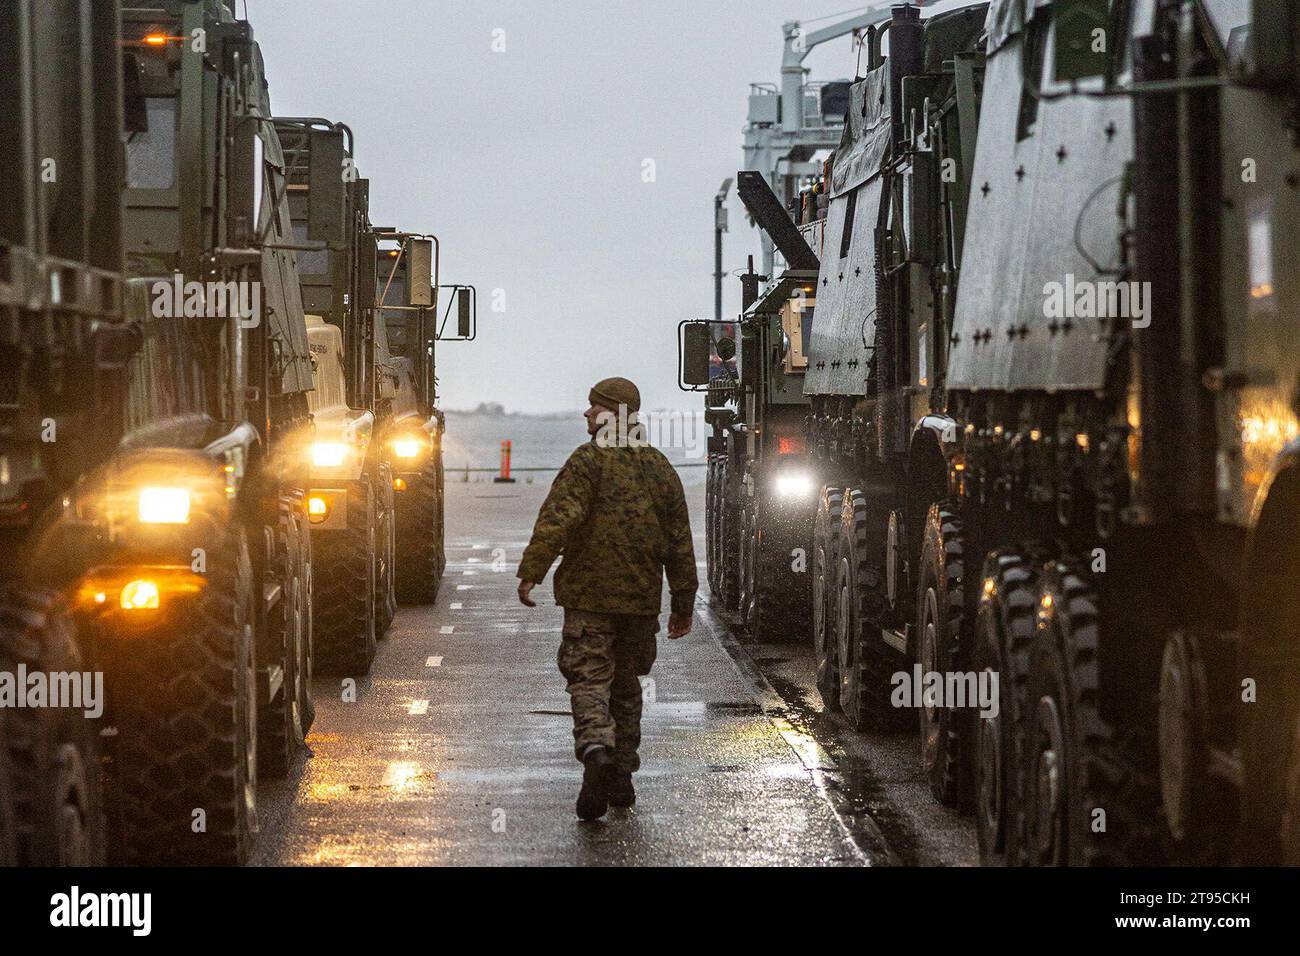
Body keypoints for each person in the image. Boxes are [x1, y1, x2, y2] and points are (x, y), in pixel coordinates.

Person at [517, 376, 697, 820]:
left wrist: (531, 572)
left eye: (593, 407)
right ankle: (621, 776)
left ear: (612, 414)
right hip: (639, 603)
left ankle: (596, 749)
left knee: (589, 681)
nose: (585, 414)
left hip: (589, 599)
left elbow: (558, 520)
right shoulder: (659, 468)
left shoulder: (587, 461)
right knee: (627, 688)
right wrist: (682, 604)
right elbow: (680, 543)